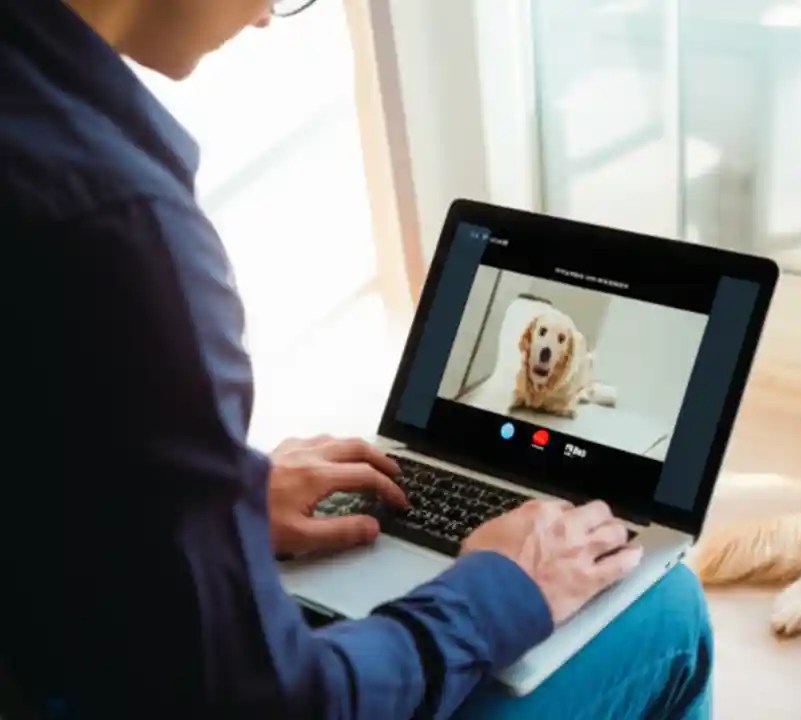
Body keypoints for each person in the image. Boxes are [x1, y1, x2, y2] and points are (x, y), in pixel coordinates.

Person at [0, 1, 712, 717]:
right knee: (669, 610)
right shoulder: (121, 231)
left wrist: (208, 516)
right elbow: (274, 703)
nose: (266, 18)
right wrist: (501, 590)